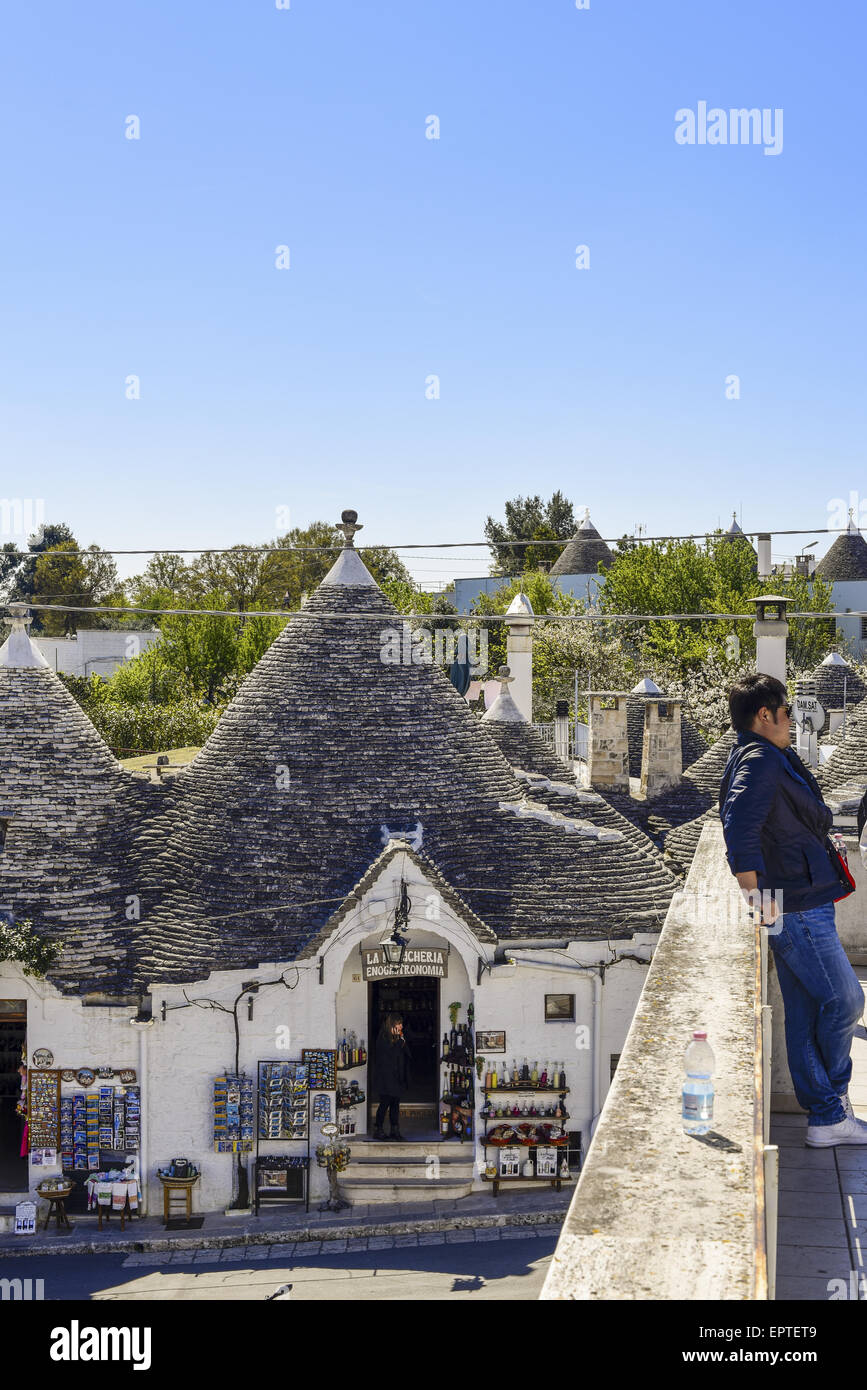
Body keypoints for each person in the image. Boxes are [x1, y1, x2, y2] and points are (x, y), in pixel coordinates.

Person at [720, 672, 867, 1148]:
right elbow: (739, 821)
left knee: (804, 1013)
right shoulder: (760, 759)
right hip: (794, 904)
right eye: (785, 712)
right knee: (847, 1000)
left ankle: (826, 1117)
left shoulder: (762, 754)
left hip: (796, 898)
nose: (791, 720)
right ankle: (833, 1100)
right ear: (766, 715)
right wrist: (754, 895)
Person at [373, 1013, 412, 1141]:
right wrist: (399, 1042)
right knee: (384, 1104)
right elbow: (390, 1056)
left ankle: (395, 1130)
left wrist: (402, 1040)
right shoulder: (383, 1037)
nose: (401, 1026)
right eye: (399, 1024)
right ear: (392, 1024)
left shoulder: (398, 1037)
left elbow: (407, 1053)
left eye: (401, 1023)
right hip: (385, 1078)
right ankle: (378, 1130)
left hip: (397, 1077)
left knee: (395, 1104)